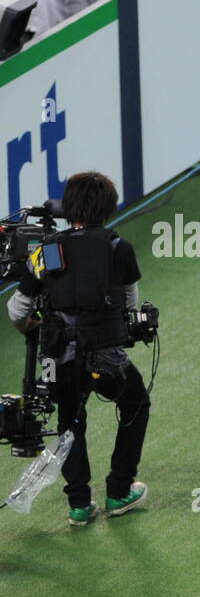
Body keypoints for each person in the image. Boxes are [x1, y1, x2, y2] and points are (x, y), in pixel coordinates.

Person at [6, 171, 149, 527]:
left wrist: (38, 328)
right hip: (104, 356)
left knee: (70, 422)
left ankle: (79, 506)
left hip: (57, 360)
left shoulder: (47, 251)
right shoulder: (118, 248)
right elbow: (129, 306)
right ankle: (118, 491)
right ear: (107, 207)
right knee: (135, 404)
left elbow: (16, 311)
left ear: (69, 207)